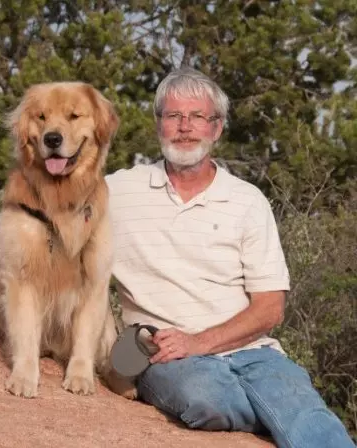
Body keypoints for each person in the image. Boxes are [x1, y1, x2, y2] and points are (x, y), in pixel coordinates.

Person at [105, 67, 355, 448]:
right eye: (173, 116)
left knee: (305, 412)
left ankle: (283, 407)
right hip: (168, 356)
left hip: (255, 354)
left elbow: (270, 307)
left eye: (198, 117)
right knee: (208, 399)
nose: (185, 126)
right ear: (159, 125)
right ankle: (271, 410)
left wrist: (200, 341)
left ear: (217, 128)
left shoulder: (247, 201)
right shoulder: (118, 190)